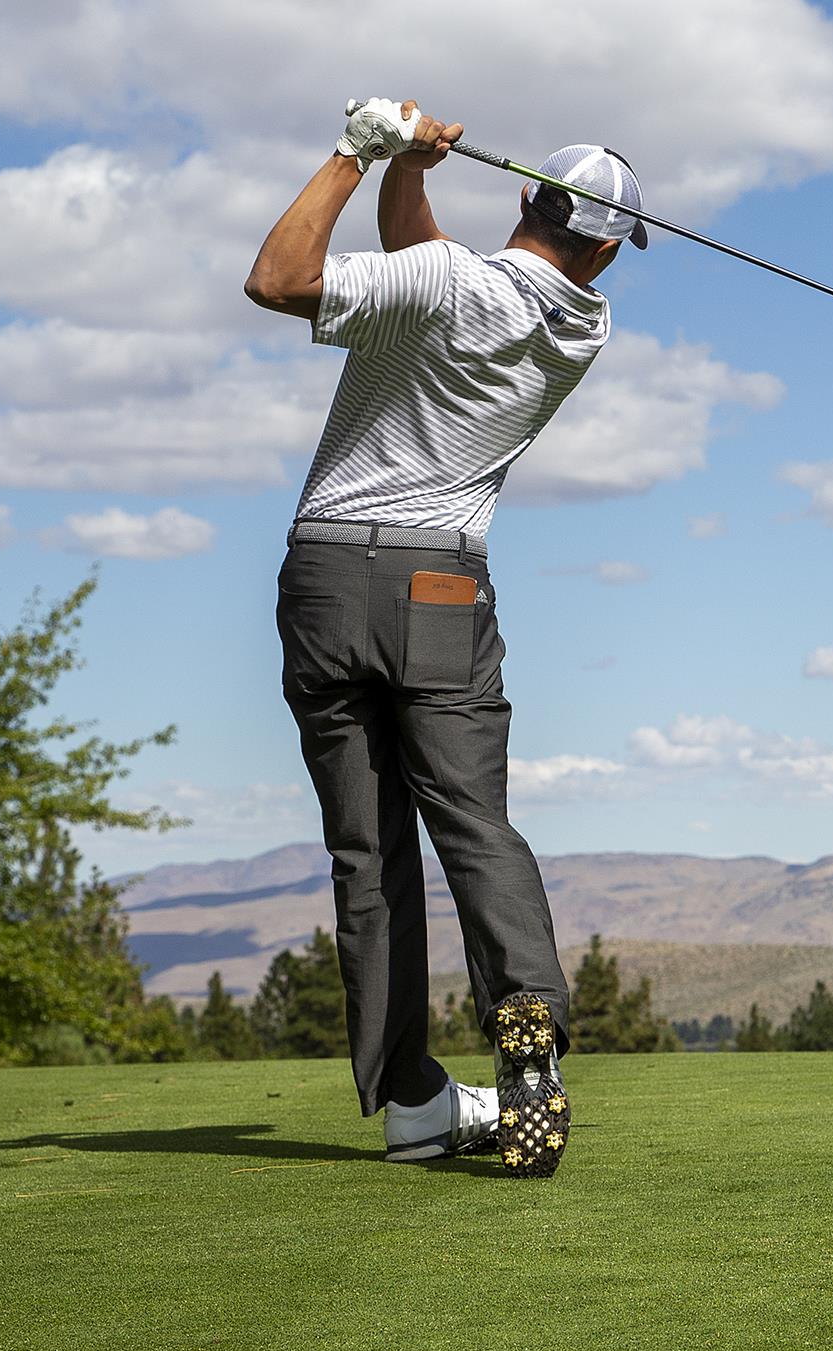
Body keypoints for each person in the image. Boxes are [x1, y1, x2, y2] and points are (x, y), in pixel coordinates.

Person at [243, 97, 651, 1175]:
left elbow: (278, 279)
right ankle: (524, 1023)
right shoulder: (579, 327)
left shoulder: (446, 285)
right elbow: (426, 266)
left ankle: (413, 1096)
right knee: (471, 819)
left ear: (526, 195)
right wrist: (410, 172)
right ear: (606, 249)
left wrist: (355, 152)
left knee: (368, 852)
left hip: (329, 572)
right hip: (439, 582)